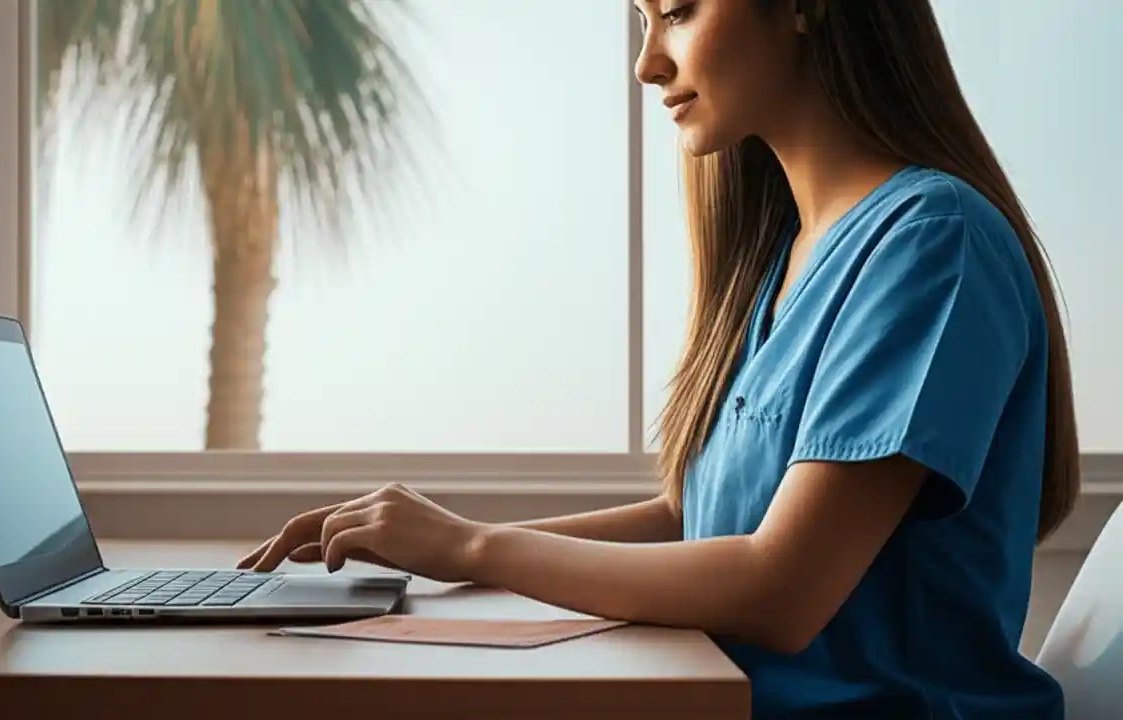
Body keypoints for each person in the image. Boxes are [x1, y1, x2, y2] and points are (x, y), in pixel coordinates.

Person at [238, 1, 1080, 717]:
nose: (647, 63)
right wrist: (437, 549)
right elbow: (693, 518)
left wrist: (473, 549)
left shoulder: (931, 243)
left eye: (677, 12)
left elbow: (779, 588)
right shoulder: (786, 254)